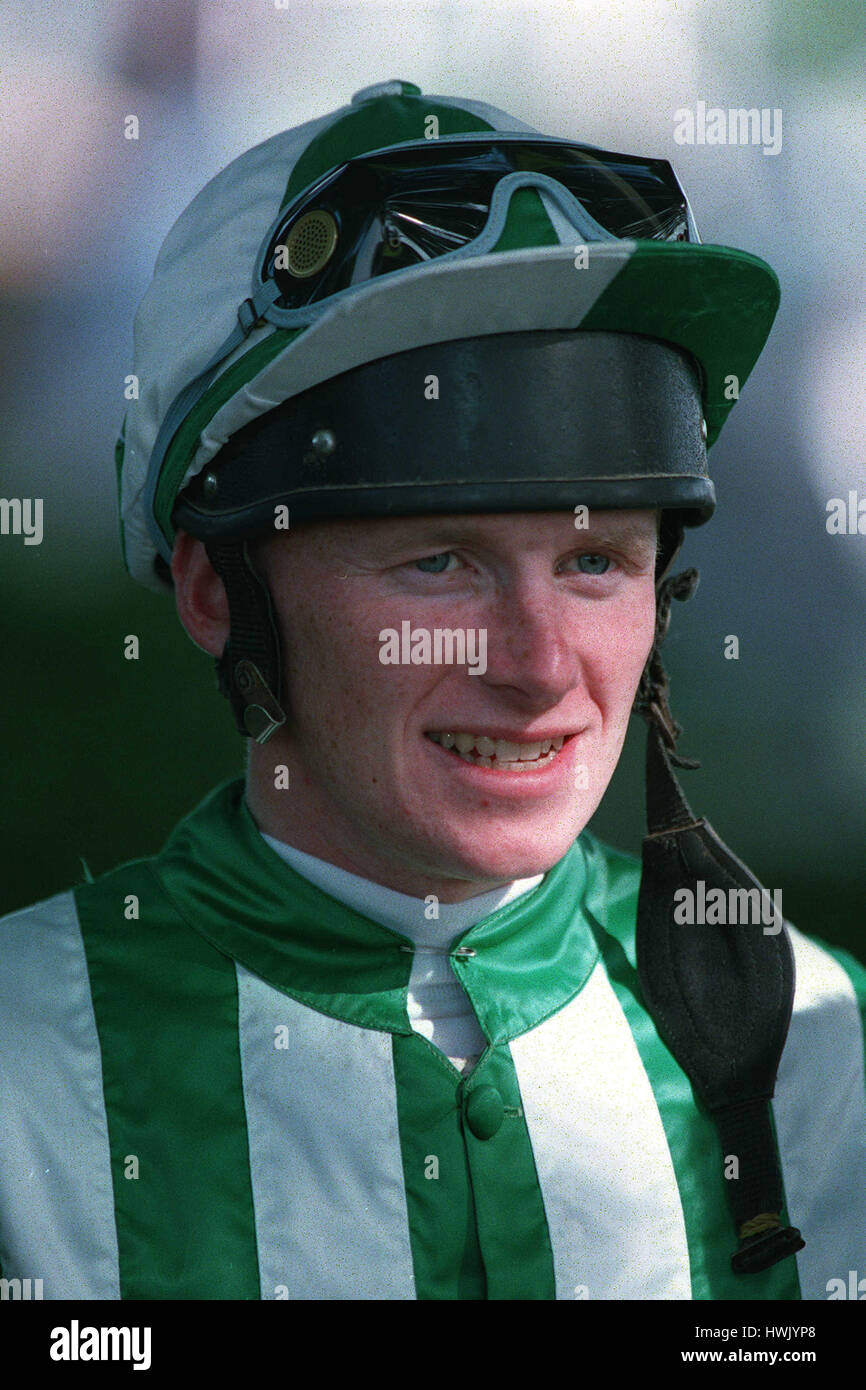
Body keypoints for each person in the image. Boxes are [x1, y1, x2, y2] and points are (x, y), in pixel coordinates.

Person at [1, 79, 864, 1302]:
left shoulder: (824, 1041)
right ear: (212, 591)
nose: (537, 665)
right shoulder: (18, 1076)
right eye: (437, 561)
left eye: (592, 561)